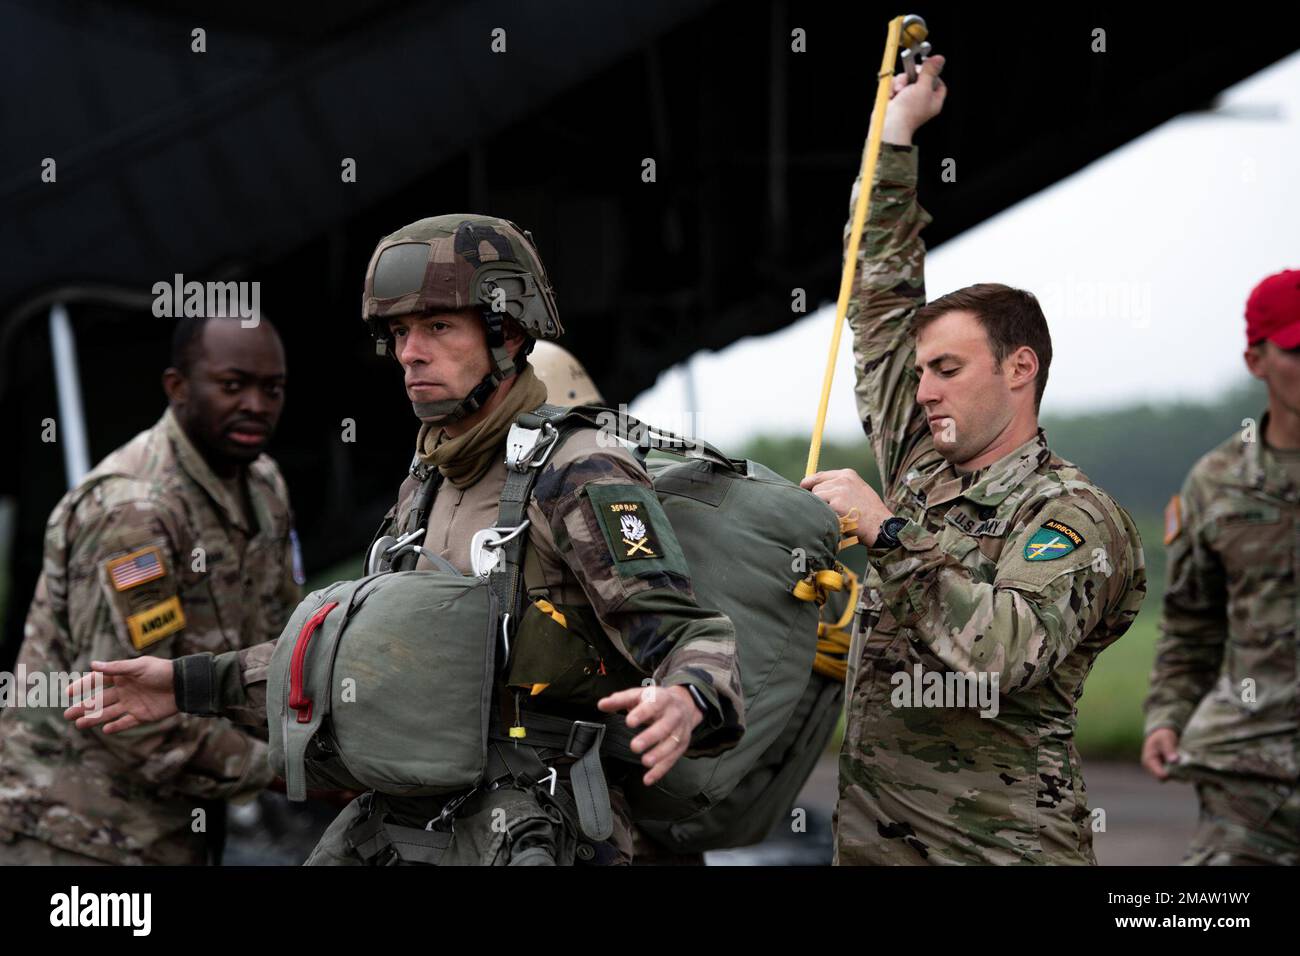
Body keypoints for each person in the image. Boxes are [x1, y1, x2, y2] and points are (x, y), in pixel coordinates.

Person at [66, 215, 744, 865]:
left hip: (537, 822)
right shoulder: (426, 478)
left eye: (438, 326)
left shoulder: (580, 467)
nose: (410, 353)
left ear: (507, 333)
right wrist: (185, 684)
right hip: (412, 816)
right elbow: (345, 656)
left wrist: (685, 698)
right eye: (399, 332)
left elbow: (693, 636)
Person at [802, 55, 1146, 864]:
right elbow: (880, 298)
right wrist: (895, 134)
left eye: (946, 371)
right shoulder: (925, 464)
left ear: (1019, 370)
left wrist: (886, 534)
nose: (920, 392)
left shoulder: (1074, 516)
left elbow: (1002, 653)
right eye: (920, 374)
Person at [0, 314, 299, 864]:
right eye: (233, 386)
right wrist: (295, 772)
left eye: (271, 388)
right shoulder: (133, 512)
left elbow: (281, 648)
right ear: (177, 387)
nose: (256, 404)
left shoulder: (263, 484)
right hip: (75, 834)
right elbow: (126, 715)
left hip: (180, 824)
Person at [1142, 269, 1300, 865]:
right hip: (1249, 774)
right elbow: (1190, 620)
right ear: (1257, 361)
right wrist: (1169, 715)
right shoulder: (1216, 483)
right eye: (1297, 350)